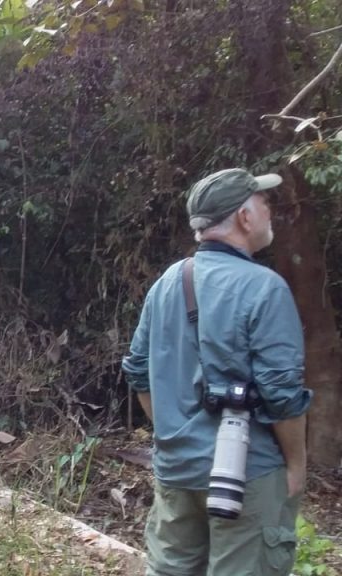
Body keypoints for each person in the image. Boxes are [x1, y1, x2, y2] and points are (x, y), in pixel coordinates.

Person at [122, 168, 311, 576]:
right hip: (249, 474)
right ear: (244, 216)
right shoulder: (265, 287)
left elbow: (138, 372)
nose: (269, 209)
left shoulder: (168, 282)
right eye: (263, 201)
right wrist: (297, 465)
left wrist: (175, 433)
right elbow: (282, 394)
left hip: (176, 472)